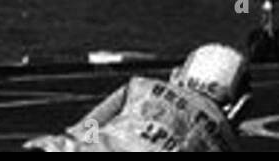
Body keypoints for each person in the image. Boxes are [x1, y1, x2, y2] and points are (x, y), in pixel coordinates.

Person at [23, 43, 251, 152]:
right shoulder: (220, 133)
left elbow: (89, 125)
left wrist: (81, 140)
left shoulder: (140, 87)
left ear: (180, 74)